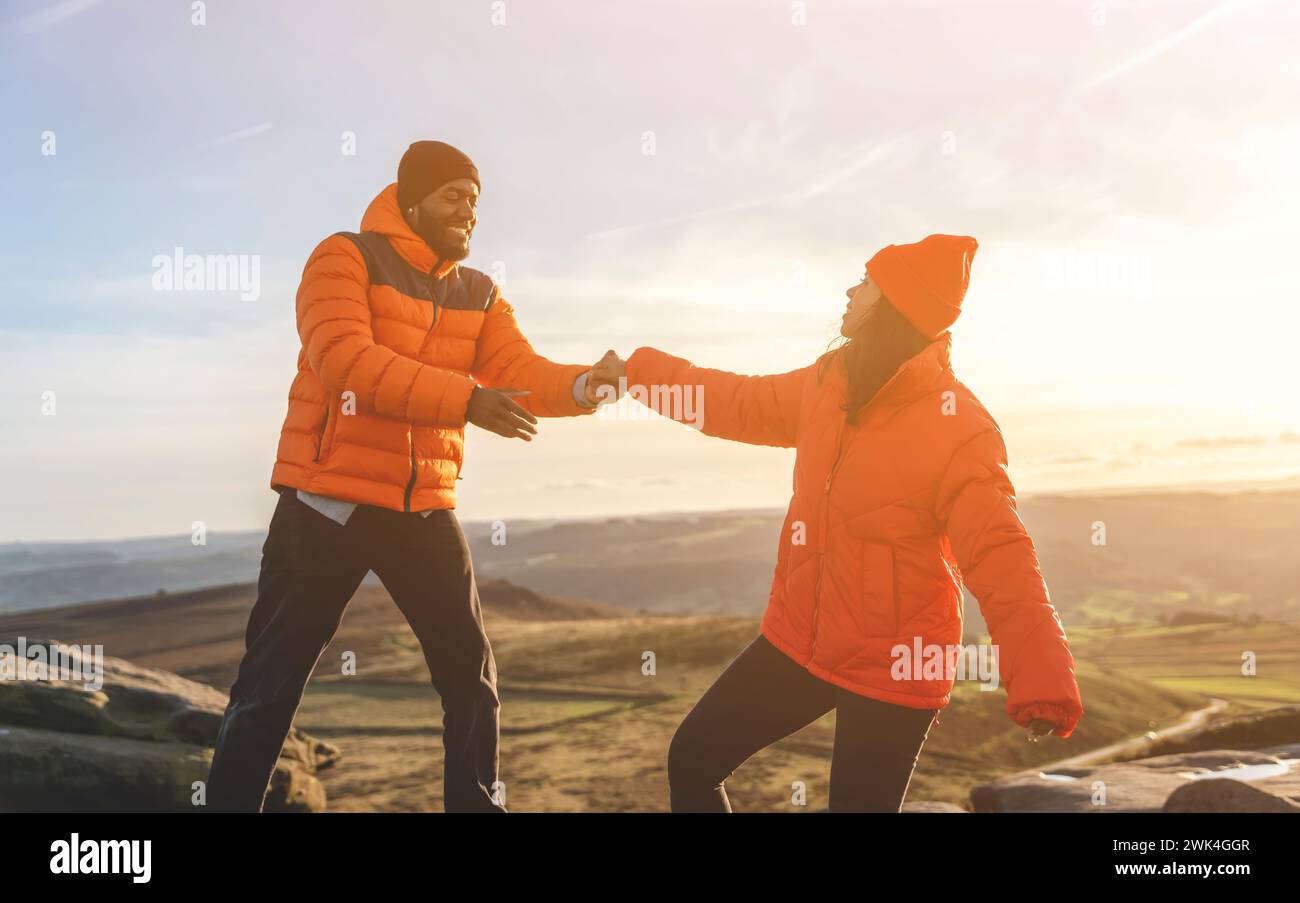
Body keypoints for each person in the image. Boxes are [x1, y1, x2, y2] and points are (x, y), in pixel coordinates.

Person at [591, 234, 1085, 812]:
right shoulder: (828, 383)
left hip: (897, 662)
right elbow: (734, 401)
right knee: (693, 759)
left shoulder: (961, 426)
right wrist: (638, 375)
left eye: (866, 282)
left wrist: (1043, 684)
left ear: (896, 302)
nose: (851, 290)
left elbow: (1002, 555)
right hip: (801, 640)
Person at [205, 140, 617, 813]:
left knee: (470, 673)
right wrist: (463, 400)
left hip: (422, 504)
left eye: (475, 201)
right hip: (326, 501)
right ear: (413, 196)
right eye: (454, 196)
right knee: (270, 682)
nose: (468, 212)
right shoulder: (344, 256)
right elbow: (346, 361)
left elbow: (518, 370)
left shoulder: (479, 292)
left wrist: (582, 385)